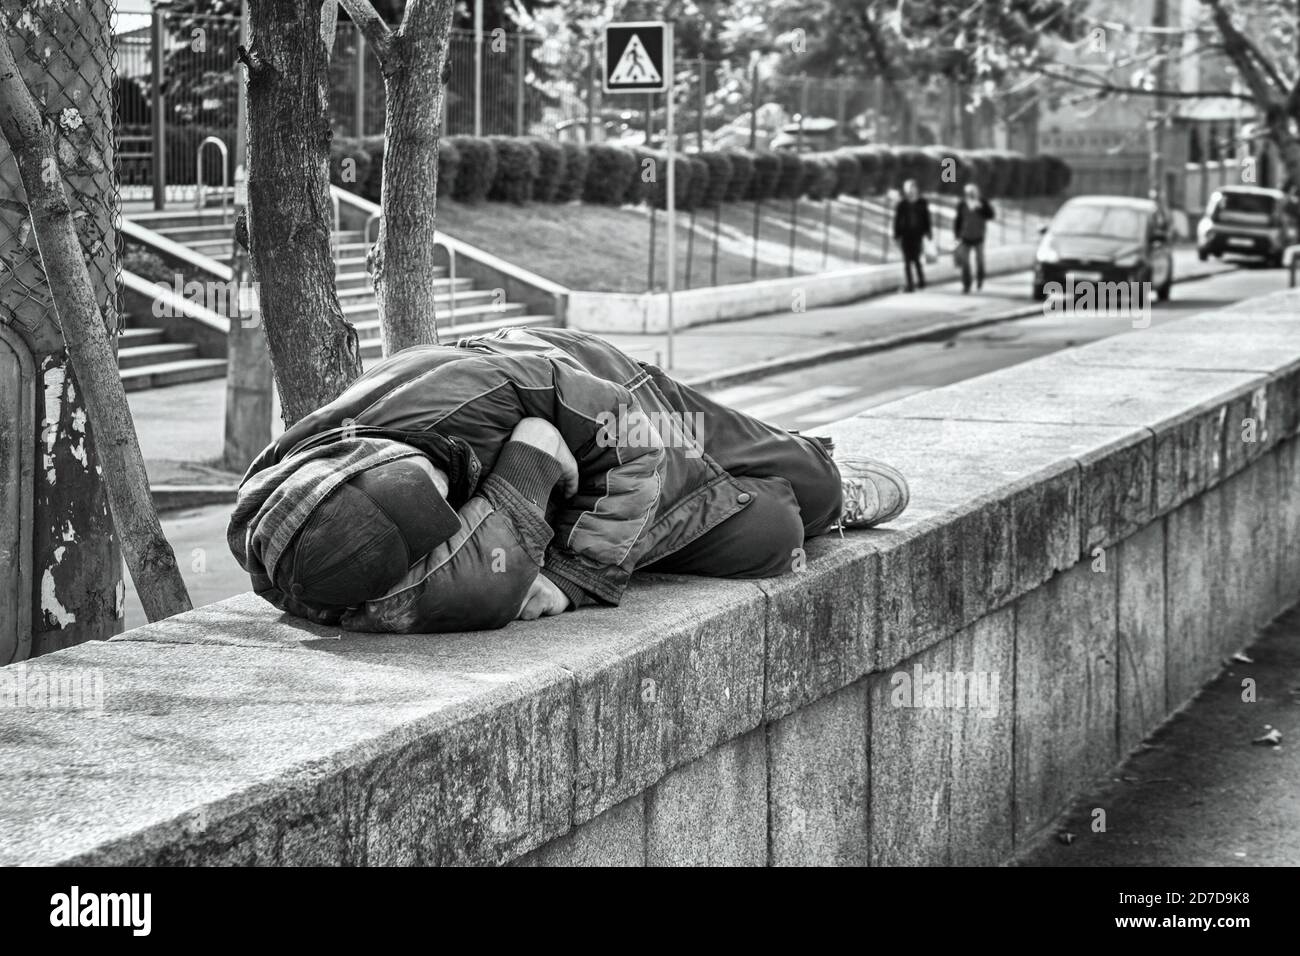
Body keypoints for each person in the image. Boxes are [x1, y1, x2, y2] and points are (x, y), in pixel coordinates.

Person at [228, 327, 910, 633]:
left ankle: (832, 489)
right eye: (443, 512)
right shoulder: (294, 540)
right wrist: (545, 545)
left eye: (434, 482)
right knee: (773, 535)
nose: (444, 486)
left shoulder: (474, 394)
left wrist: (572, 578)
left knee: (809, 487)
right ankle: (794, 509)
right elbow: (419, 592)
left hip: (604, 394)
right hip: (552, 501)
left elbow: (629, 439)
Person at [953, 183, 995, 293]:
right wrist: (956, 236)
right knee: (965, 263)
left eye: (973, 193)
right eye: (969, 193)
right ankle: (966, 285)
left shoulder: (982, 202)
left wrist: (979, 208)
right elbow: (958, 220)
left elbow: (991, 215)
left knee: (980, 261)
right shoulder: (962, 204)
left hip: (978, 237)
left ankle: (980, 278)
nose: (971, 195)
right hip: (965, 237)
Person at [892, 178, 932, 292]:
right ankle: (910, 285)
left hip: (917, 234)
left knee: (916, 259)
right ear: (905, 190)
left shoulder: (922, 202)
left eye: (912, 188)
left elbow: (926, 218)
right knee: (907, 260)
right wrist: (896, 234)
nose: (911, 191)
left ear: (916, 189)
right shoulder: (902, 204)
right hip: (905, 235)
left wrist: (928, 232)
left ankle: (921, 282)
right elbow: (897, 220)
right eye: (908, 188)